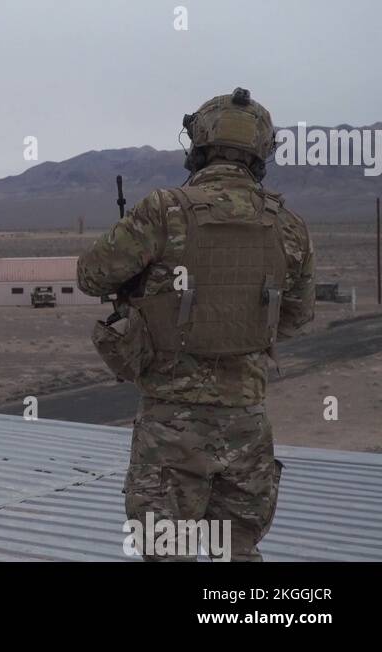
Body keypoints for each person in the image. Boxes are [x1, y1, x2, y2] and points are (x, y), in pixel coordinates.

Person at [77, 89, 315, 561]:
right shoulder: (288, 225)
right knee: (239, 552)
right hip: (246, 424)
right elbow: (294, 317)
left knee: (167, 552)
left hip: (171, 426)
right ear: (261, 153)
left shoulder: (164, 210)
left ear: (199, 145)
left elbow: (91, 275)